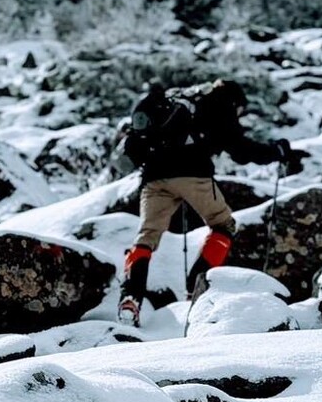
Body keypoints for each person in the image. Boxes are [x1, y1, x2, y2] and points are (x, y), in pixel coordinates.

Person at [118, 80, 301, 326]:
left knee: (147, 237)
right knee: (223, 225)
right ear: (236, 101)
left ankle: (130, 298)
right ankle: (197, 290)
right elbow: (240, 150)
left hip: (153, 178)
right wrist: (276, 151)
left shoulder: (176, 99)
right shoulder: (219, 103)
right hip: (193, 174)